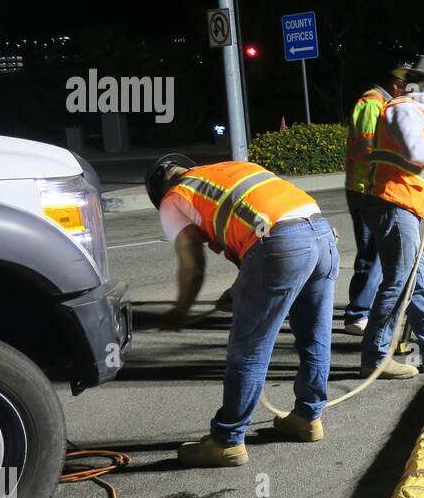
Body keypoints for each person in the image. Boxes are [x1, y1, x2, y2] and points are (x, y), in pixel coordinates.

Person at [145, 155, 339, 466]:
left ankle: (227, 440)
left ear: (159, 189)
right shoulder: (232, 169)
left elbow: (192, 266)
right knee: (314, 336)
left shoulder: (175, 197)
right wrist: (237, 291)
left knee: (248, 349)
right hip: (322, 236)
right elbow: (255, 235)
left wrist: (180, 311)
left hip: (281, 245)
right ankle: (308, 417)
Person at [360, 55, 424, 379]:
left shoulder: (412, 114)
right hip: (393, 203)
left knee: (416, 278)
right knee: (399, 281)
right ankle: (375, 358)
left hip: (400, 203)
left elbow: (418, 165)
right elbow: (416, 154)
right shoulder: (405, 108)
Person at [342, 70, 406, 335]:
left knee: (390, 253)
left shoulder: (384, 104)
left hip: (373, 188)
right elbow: (372, 152)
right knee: (371, 254)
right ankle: (357, 314)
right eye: (407, 87)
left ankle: (401, 306)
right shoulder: (372, 104)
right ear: (396, 83)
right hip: (365, 190)